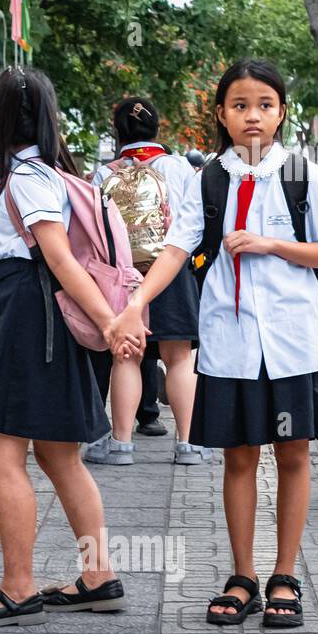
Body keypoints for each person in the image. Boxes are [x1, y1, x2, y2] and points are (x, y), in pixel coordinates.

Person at [107, 59, 318, 629]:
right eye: (240, 106)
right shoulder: (207, 178)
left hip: (293, 341)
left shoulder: (302, 174)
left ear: (281, 111)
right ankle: (243, 576)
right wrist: (136, 304)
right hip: (231, 338)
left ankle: (284, 573)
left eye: (265, 104)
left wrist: (270, 244)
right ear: (221, 114)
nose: (253, 116)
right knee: (239, 458)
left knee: (293, 455)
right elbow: (174, 250)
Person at [0, 66, 129, 628]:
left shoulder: (24, 176)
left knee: (2, 451)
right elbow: (34, 253)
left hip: (27, 317)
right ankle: (97, 577)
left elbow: (56, 256)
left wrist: (112, 321)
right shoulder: (50, 172)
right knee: (58, 454)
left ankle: (17, 587)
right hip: (32, 306)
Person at [86, 98, 208, 465]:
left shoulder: (104, 173)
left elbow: (96, 229)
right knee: (179, 359)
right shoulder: (179, 168)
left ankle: (121, 444)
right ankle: (188, 443)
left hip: (124, 278)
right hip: (171, 272)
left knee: (126, 356)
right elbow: (196, 224)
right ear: (157, 128)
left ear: (117, 132)